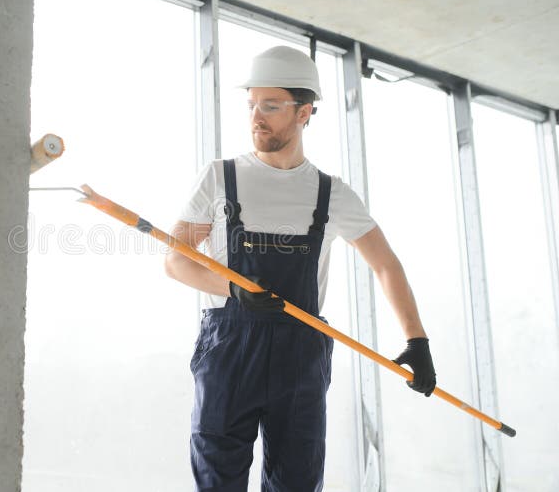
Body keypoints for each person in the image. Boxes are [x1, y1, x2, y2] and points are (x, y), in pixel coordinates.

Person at [164, 46, 436, 492]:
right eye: (251, 104)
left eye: (270, 106)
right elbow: (175, 259)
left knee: (297, 483)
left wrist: (417, 340)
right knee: (217, 481)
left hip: (299, 357)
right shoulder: (220, 177)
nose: (256, 116)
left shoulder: (331, 194)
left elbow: (386, 265)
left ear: (305, 111)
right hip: (230, 351)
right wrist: (232, 291)